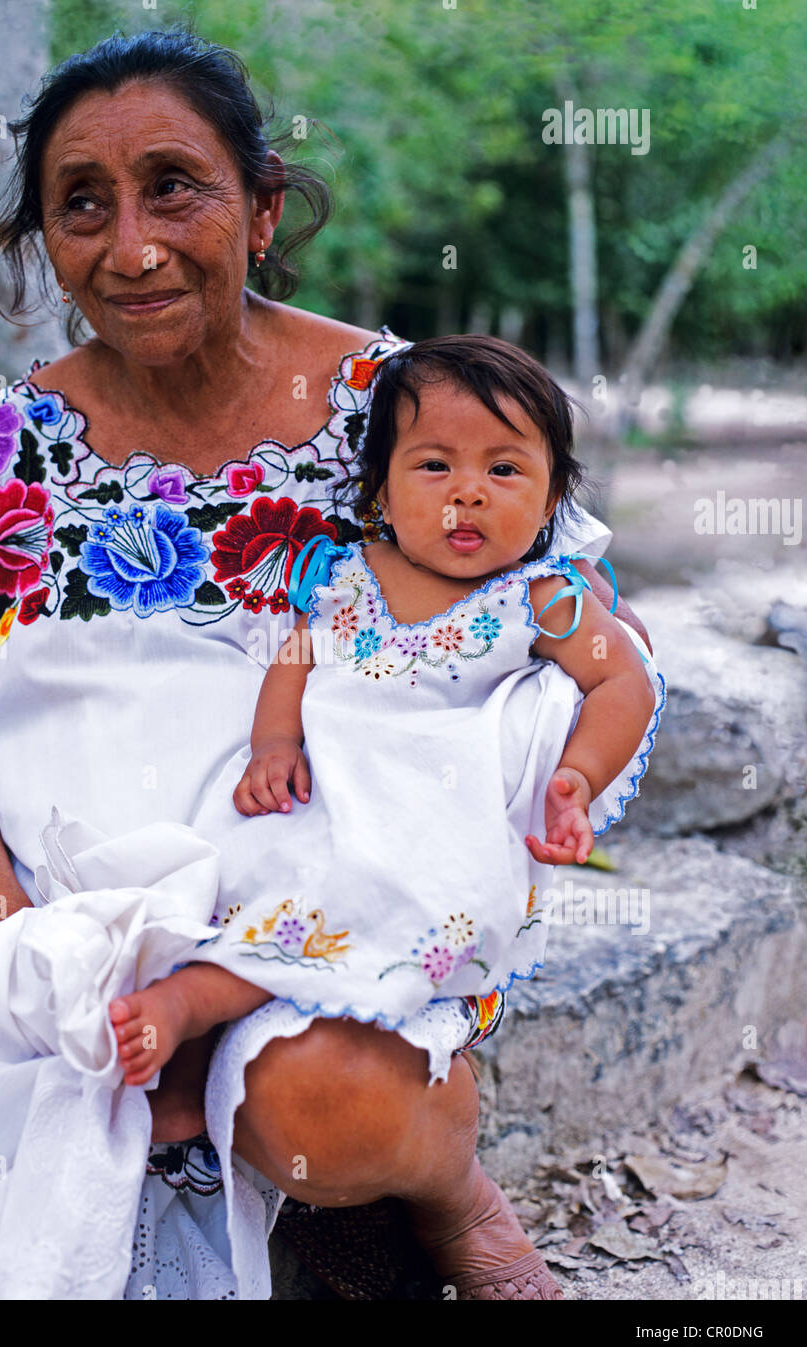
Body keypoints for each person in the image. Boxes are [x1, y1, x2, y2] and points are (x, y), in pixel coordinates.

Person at [0, 26, 653, 1301]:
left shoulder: (405, 410)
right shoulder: (4, 449)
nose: (130, 246)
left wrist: (505, 800)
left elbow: (588, 639)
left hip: (322, 901)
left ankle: (451, 1188)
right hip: (66, 921)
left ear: (263, 205)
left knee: (329, 1110)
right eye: (82, 205)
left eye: (174, 186)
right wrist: (24, 954)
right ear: (48, 240)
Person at [107, 336, 664, 1292]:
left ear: (552, 495)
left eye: (503, 468)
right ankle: (185, 1016)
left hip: (418, 817)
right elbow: (293, 658)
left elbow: (627, 687)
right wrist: (273, 745)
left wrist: (574, 775)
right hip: (318, 795)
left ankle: (195, 1029)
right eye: (432, 466)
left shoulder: (544, 599)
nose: (467, 494)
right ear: (379, 489)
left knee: (360, 919)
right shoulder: (345, 575)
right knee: (258, 898)